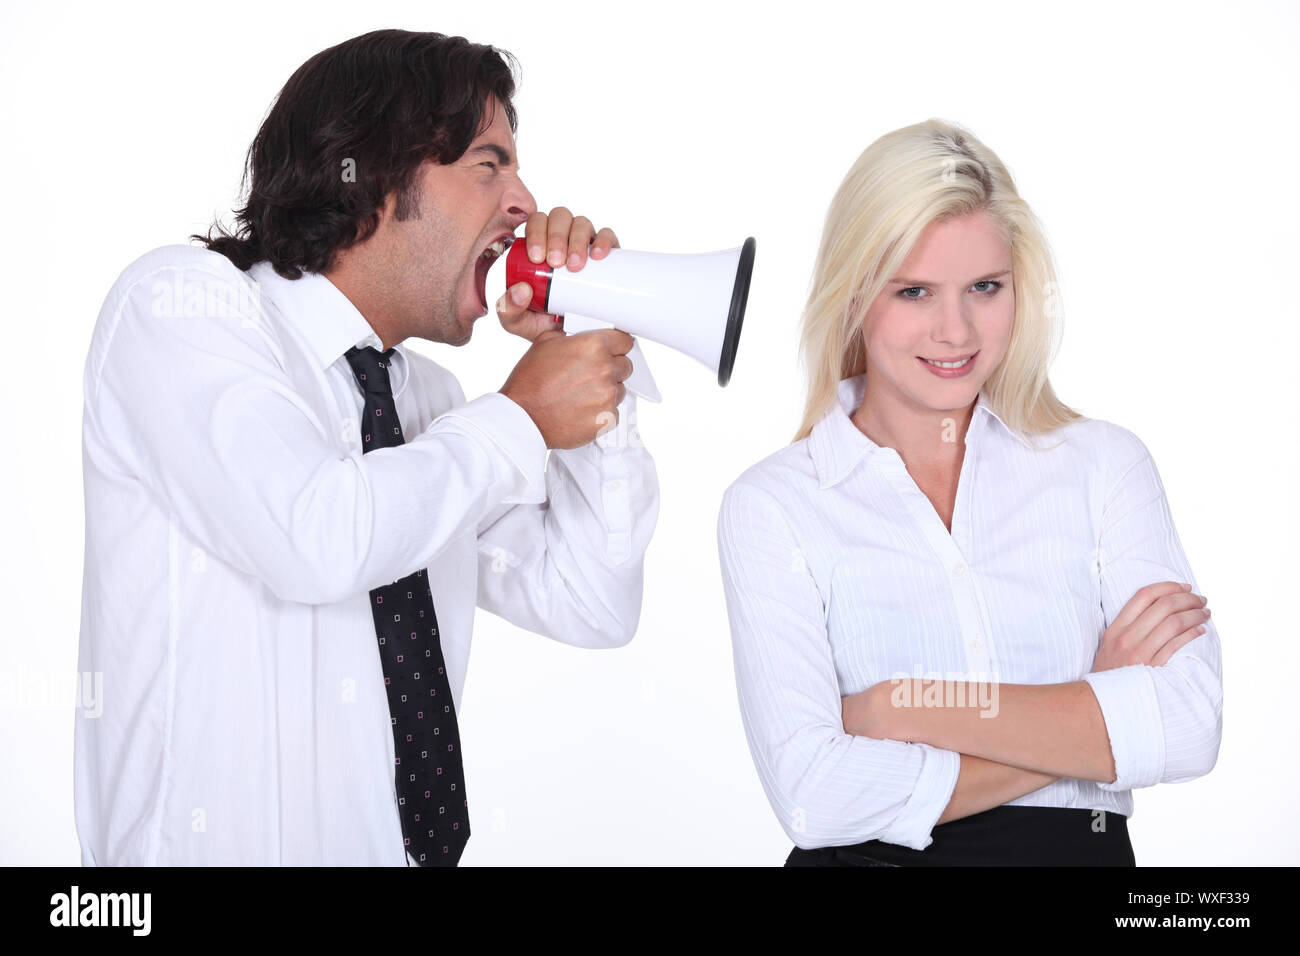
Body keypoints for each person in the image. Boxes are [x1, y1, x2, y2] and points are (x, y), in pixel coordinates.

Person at [75, 29, 659, 866]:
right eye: (489, 164)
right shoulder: (180, 309)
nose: (525, 200)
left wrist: (591, 346)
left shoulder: (430, 405)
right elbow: (315, 538)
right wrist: (523, 417)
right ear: (377, 177)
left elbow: (592, 602)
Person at [715, 119, 1222, 866]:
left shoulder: (1103, 467)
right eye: (914, 291)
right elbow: (813, 795)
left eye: (985, 288)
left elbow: (1188, 724)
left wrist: (900, 708)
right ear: (854, 296)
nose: (955, 331)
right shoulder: (776, 505)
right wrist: (1091, 711)